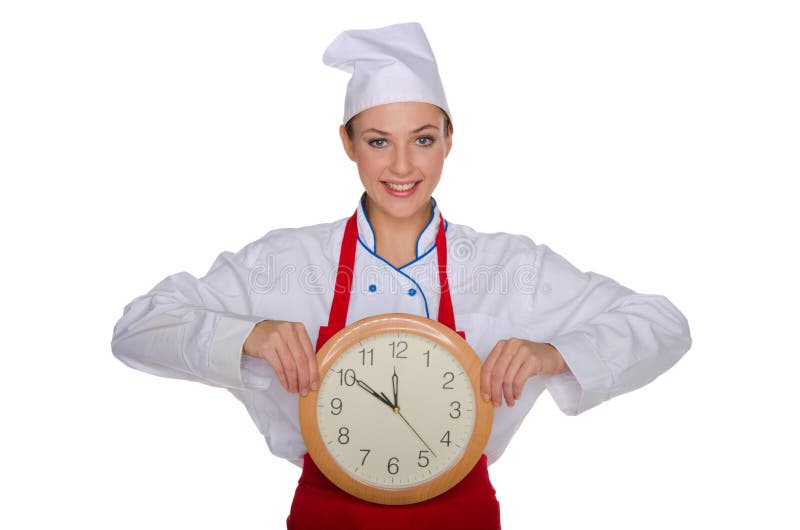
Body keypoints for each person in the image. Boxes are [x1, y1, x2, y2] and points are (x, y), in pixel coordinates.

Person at [111, 21, 692, 530]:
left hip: (460, 515)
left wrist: (553, 354)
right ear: (348, 144)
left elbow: (663, 323)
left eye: (422, 140)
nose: (402, 166)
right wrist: (249, 336)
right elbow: (138, 327)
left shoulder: (510, 268)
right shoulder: (285, 262)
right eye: (377, 141)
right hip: (328, 512)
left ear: (448, 141)